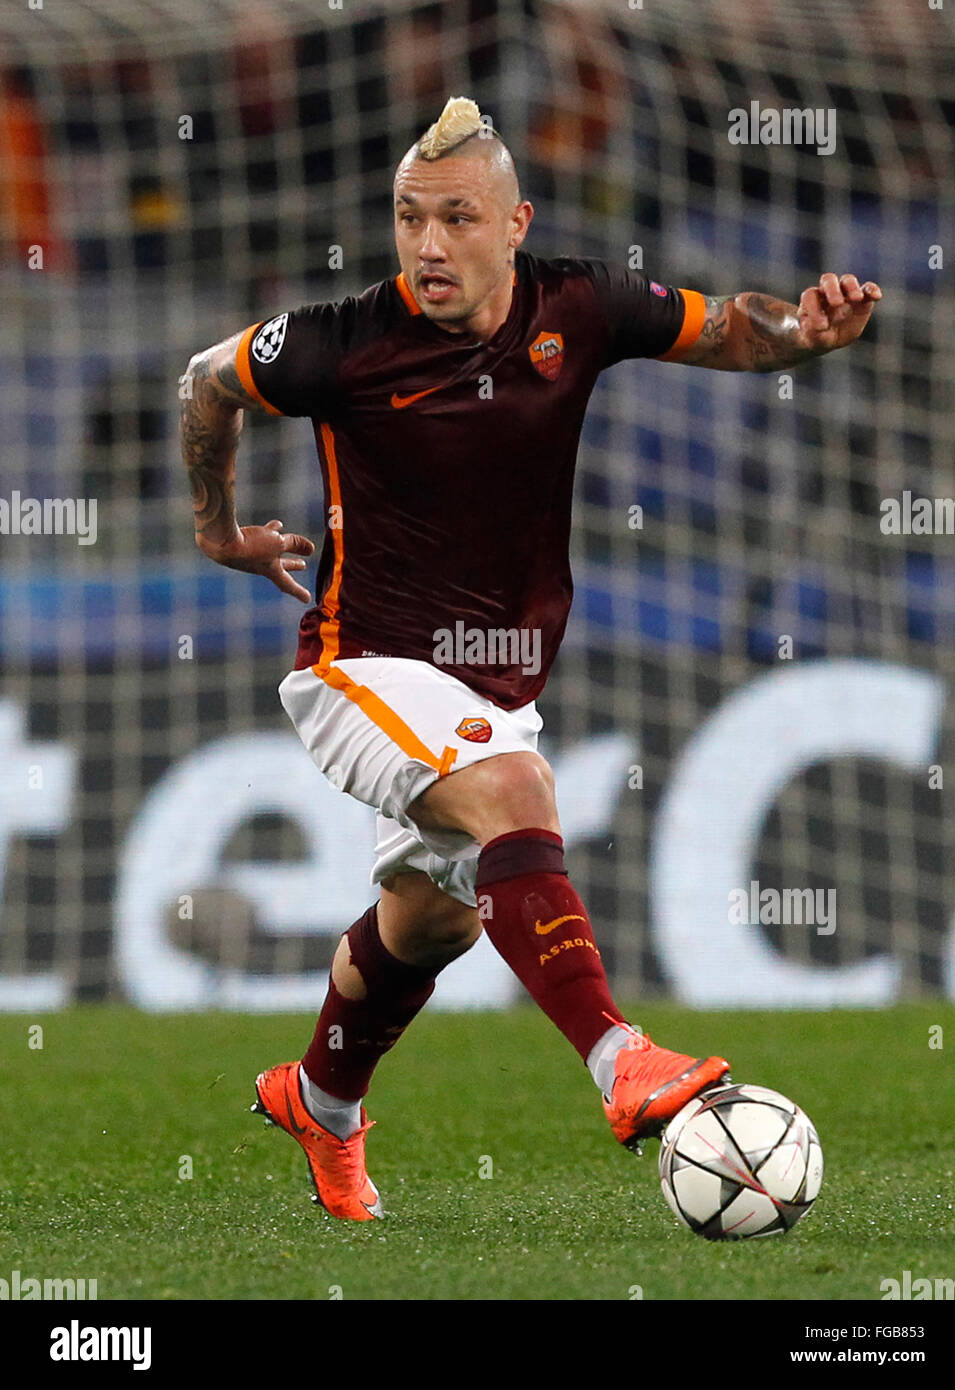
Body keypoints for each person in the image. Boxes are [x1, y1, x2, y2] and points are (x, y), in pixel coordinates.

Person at [179, 96, 881, 1221]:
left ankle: (319, 1099)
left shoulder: (581, 304)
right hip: (360, 663)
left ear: (516, 225)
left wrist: (808, 331)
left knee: (433, 918)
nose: (428, 244)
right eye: (410, 217)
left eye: (457, 218)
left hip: (497, 678)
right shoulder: (343, 340)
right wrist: (216, 526)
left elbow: (729, 331)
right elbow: (209, 379)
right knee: (517, 795)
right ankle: (621, 1061)